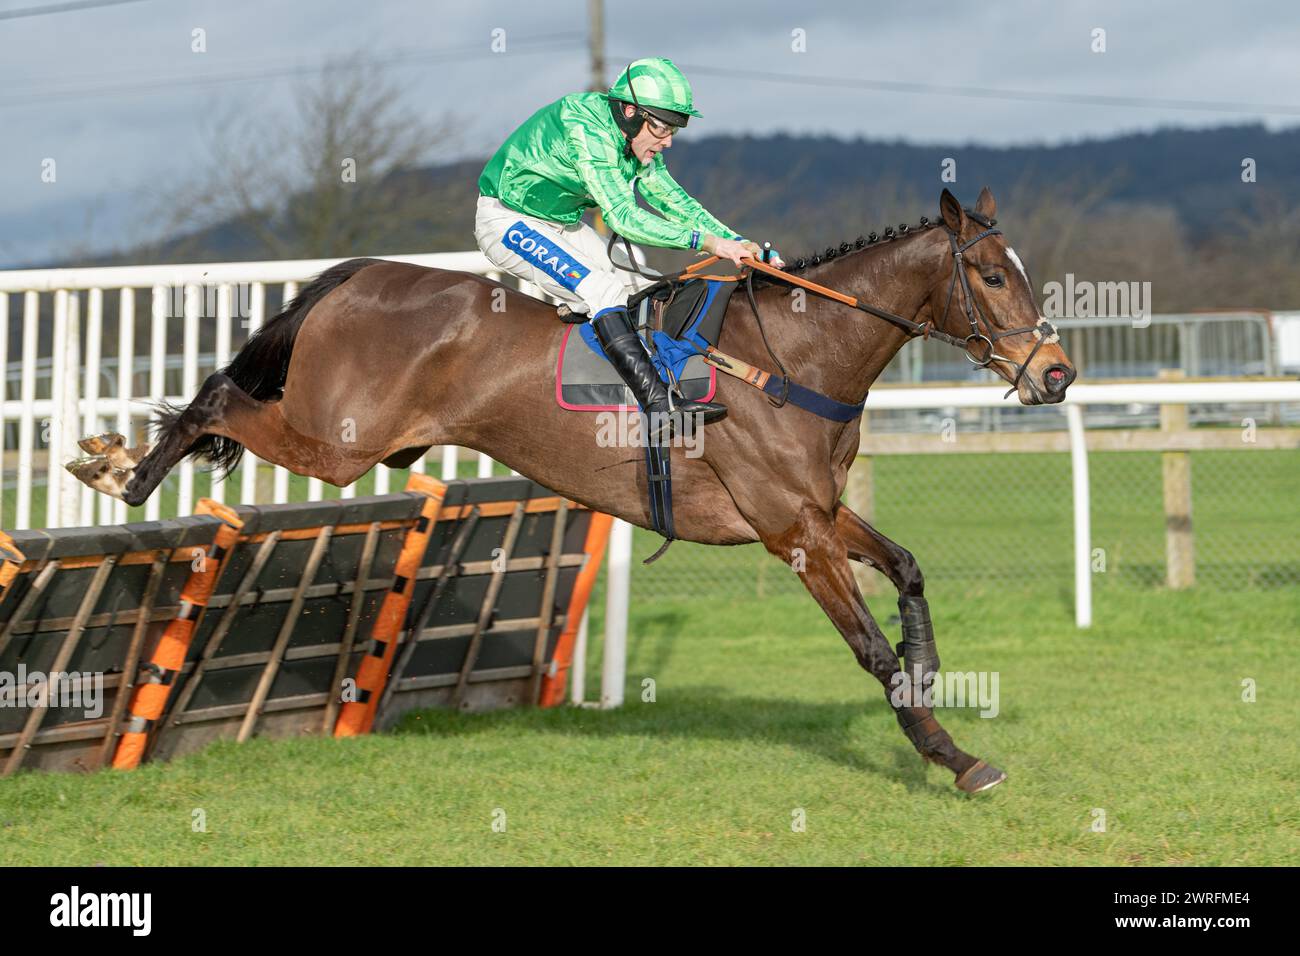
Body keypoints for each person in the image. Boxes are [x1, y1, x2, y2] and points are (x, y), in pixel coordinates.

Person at [475, 56, 782, 440]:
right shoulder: (586, 127)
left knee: (644, 283)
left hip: (562, 224)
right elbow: (623, 217)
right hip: (507, 221)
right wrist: (710, 244)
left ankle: (655, 385)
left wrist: (737, 243)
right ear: (630, 111)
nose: (668, 140)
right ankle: (657, 404)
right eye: (662, 127)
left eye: (675, 129)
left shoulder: (632, 138)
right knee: (603, 291)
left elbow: (674, 201)